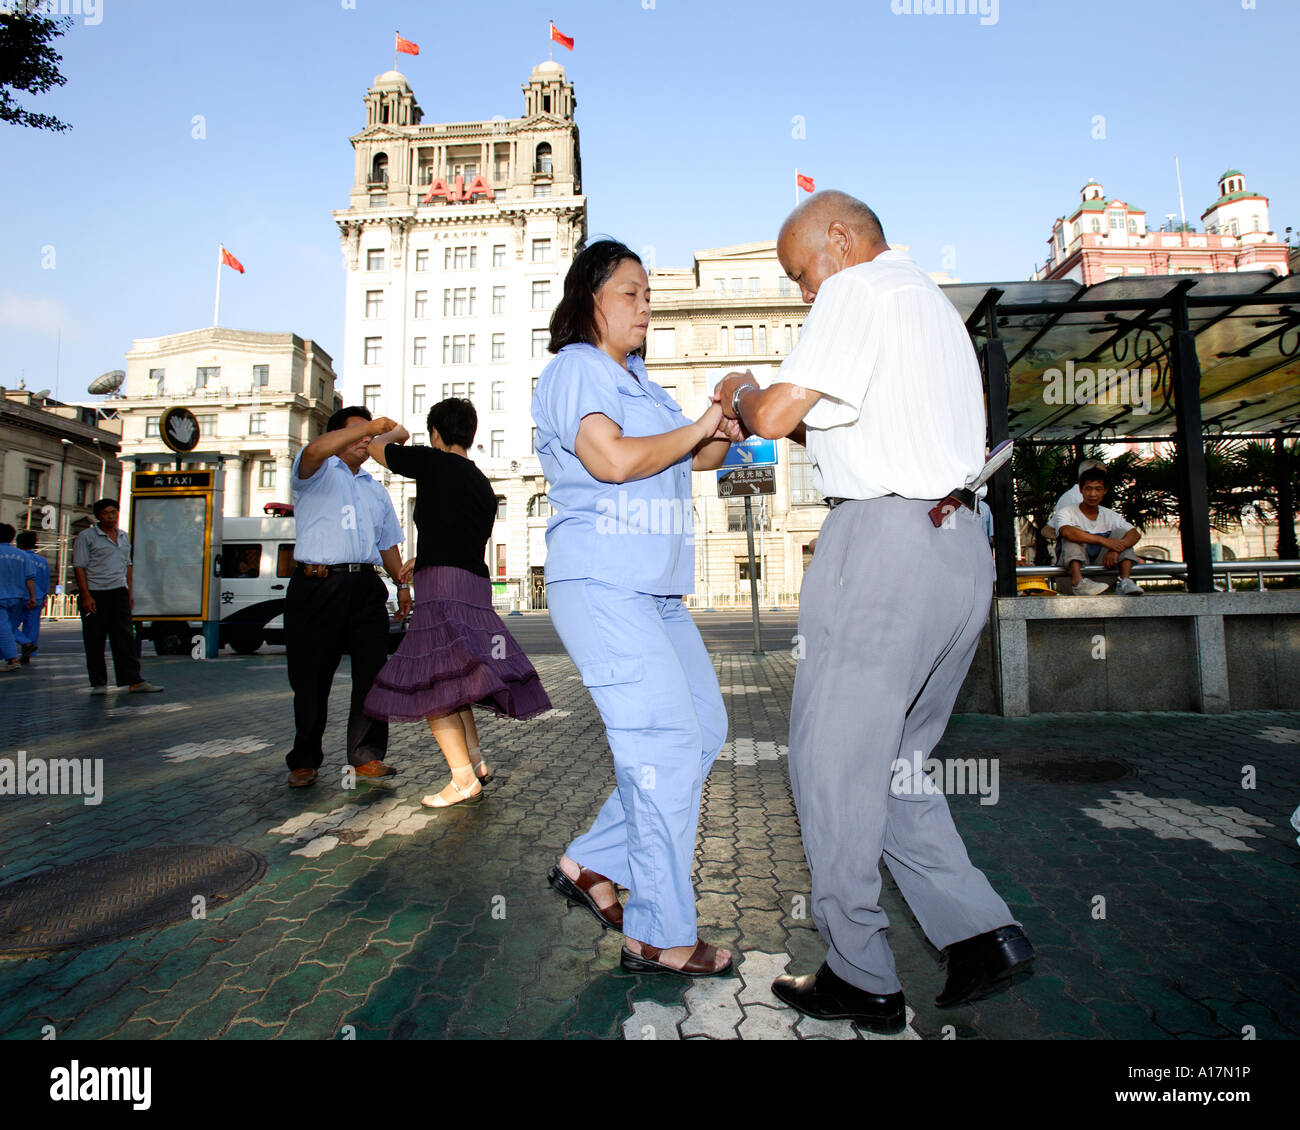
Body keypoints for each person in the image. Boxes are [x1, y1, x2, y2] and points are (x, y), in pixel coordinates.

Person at [714, 190, 1033, 1032]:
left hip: (884, 544)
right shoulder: (933, 309)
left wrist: (745, 388)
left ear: (841, 240)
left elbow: (778, 415)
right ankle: (978, 935)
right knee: (898, 766)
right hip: (961, 549)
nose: (803, 294)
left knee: (829, 766)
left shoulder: (858, 290)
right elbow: (857, 424)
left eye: (801, 274)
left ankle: (862, 976)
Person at [532, 239, 744, 977]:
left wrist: (722, 419)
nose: (645, 305)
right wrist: (696, 427)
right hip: (603, 583)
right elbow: (613, 460)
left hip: (656, 591)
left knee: (702, 731)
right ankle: (658, 933)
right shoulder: (575, 369)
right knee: (658, 751)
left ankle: (590, 861)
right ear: (591, 296)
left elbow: (697, 457)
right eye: (631, 292)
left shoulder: (643, 382)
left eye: (648, 293)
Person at [363, 398, 552, 807]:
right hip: (473, 585)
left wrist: (393, 431)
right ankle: (476, 763)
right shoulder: (482, 483)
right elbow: (456, 534)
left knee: (434, 682)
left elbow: (377, 447)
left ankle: (463, 779)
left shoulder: (432, 462)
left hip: (442, 586)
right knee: (457, 680)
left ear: (435, 434)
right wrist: (422, 558)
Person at [285, 407, 410, 788]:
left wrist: (402, 584)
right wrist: (373, 427)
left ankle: (365, 756)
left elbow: (387, 543)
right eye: (356, 434)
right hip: (317, 585)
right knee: (311, 677)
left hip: (366, 588)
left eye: (369, 435)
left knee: (372, 674)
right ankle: (305, 759)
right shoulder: (315, 471)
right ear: (335, 436)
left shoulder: (375, 488)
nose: (365, 441)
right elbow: (313, 450)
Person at [72, 500, 164, 695]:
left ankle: (133, 680)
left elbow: (127, 565)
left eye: (114, 512)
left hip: (119, 592)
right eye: (106, 513)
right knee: (94, 639)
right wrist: (86, 595)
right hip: (95, 593)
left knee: (124, 638)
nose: (110, 517)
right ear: (98, 516)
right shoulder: (86, 537)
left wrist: (129, 593)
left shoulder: (123, 536)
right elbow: (79, 567)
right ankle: (98, 683)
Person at [1056, 466, 1143, 595]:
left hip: (1103, 572)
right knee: (1072, 539)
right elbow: (1067, 532)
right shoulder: (1067, 512)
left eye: (1098, 489)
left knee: (1121, 533)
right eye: (1088, 489)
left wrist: (1116, 548)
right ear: (1080, 489)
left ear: (1105, 491)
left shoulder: (1110, 515)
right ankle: (1079, 582)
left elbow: (1134, 534)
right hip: (1069, 577)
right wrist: (1103, 541)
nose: (1092, 494)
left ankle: (1125, 581)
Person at [0, 524, 37, 674]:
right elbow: (30, 578)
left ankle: (12, 659)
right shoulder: (22, 555)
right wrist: (32, 596)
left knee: (3, 628)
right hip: (16, 596)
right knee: (7, 627)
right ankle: (13, 655)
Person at [14, 529, 50, 663]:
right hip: (38, 597)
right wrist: (44, 597)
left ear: (19, 544)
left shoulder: (18, 557)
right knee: (32, 626)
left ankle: (25, 643)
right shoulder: (43, 561)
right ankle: (27, 654)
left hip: (19, 596)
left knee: (8, 626)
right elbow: (46, 581)